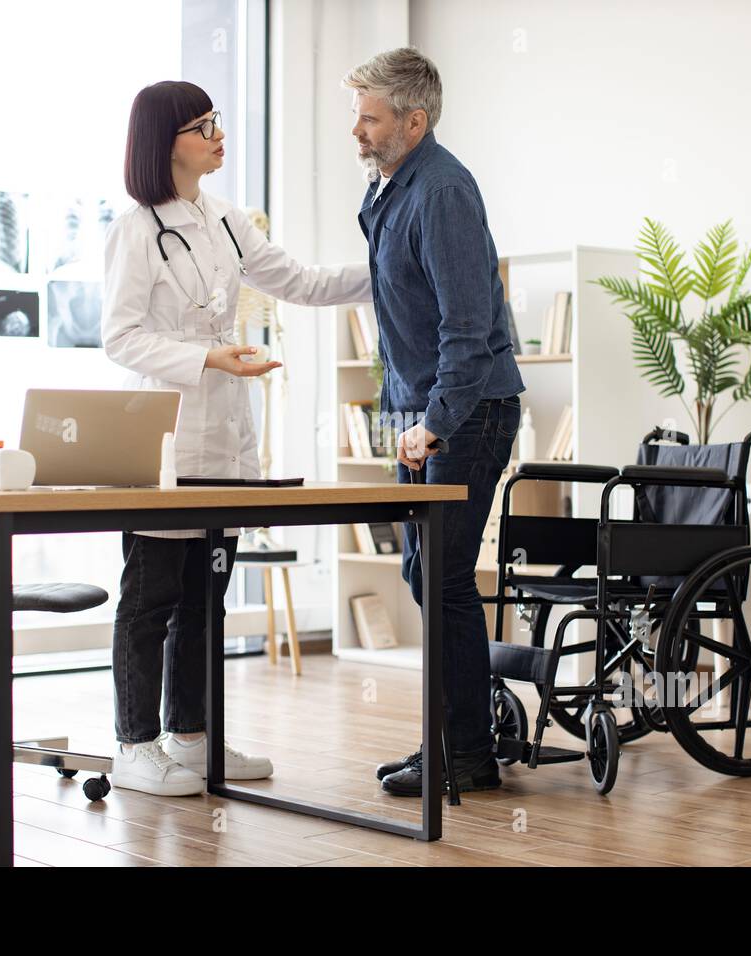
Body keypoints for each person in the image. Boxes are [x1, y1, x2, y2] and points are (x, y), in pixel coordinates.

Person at [101, 80, 371, 796]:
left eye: (217, 121)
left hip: (225, 439)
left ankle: (191, 740)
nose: (219, 135)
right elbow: (119, 337)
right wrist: (208, 359)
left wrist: (387, 273)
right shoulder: (135, 230)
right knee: (151, 598)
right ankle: (133, 746)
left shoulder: (222, 219)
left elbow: (300, 281)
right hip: (166, 437)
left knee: (204, 599)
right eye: (204, 125)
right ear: (168, 142)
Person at [344, 49, 525, 796]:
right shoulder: (392, 188)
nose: (356, 130)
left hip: (468, 411)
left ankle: (469, 755)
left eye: (370, 117)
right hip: (420, 412)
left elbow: (468, 325)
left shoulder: (443, 191)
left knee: (445, 576)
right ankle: (453, 736)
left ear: (413, 122)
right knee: (426, 571)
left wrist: (437, 424)